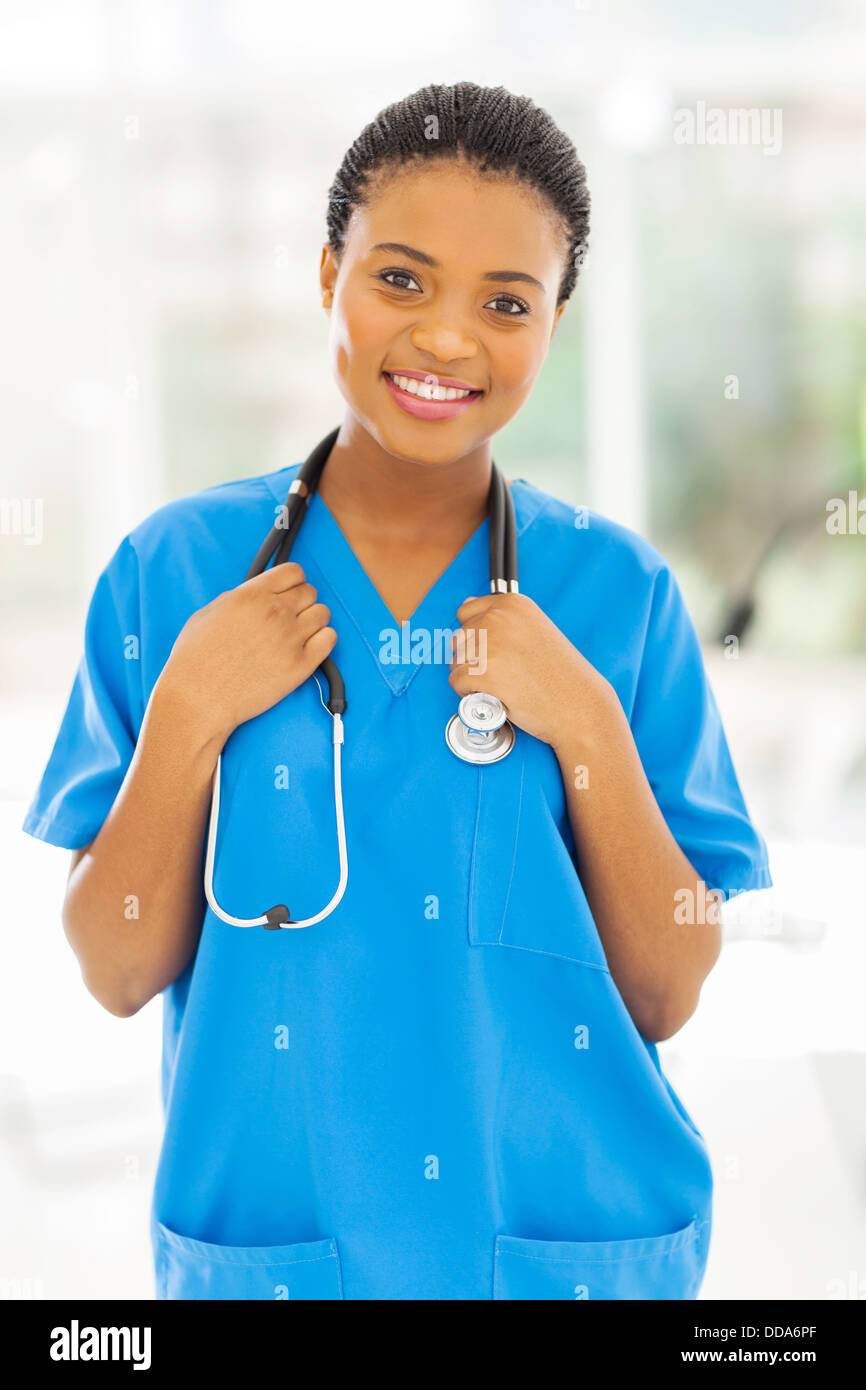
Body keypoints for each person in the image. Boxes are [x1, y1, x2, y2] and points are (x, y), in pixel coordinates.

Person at [22, 81, 772, 1301]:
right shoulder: (173, 575)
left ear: (553, 321)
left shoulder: (616, 595)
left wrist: (580, 719)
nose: (445, 339)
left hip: (562, 1257)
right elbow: (112, 968)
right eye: (402, 280)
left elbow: (665, 989)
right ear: (329, 274)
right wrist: (190, 712)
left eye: (505, 302)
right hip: (277, 1262)